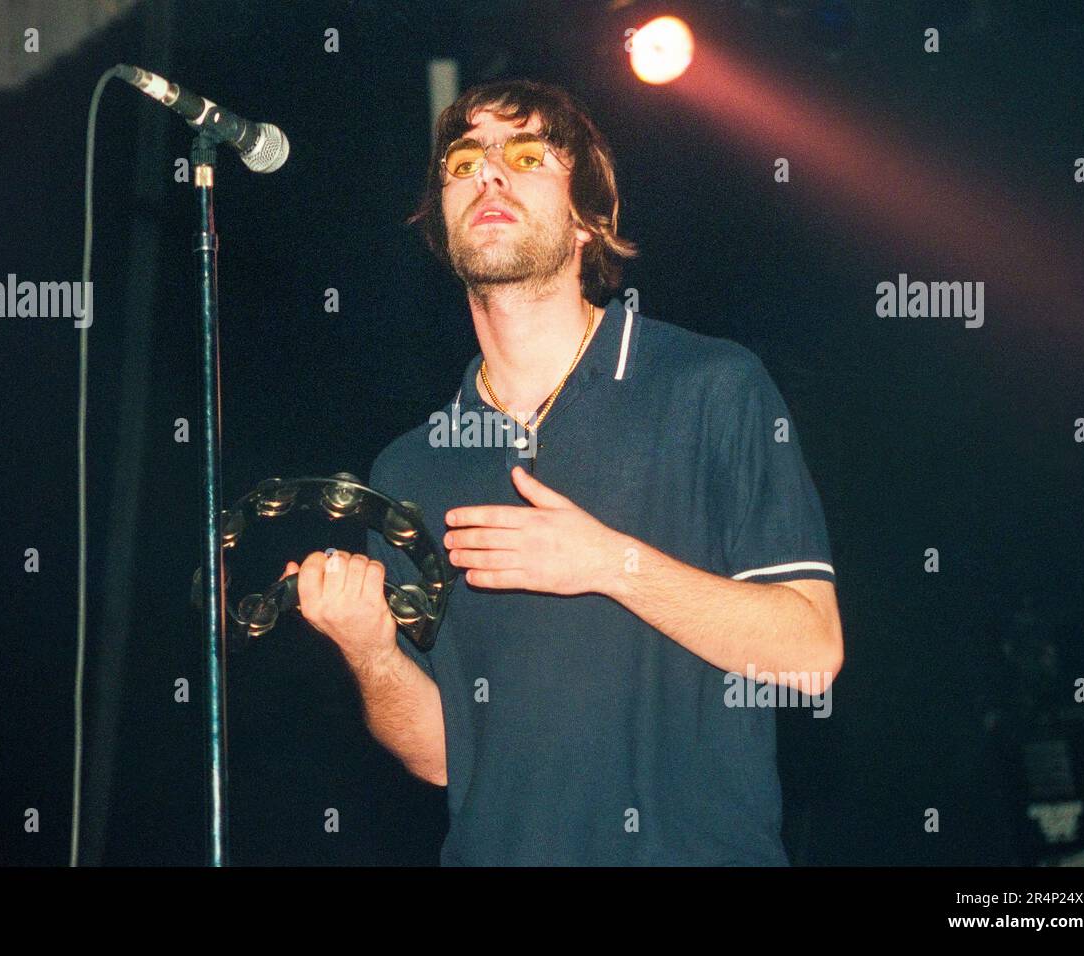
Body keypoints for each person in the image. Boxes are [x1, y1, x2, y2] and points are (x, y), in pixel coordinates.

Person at [278, 79, 843, 865]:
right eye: (464, 161)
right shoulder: (410, 466)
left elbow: (810, 654)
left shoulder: (709, 386)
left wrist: (610, 564)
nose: (489, 175)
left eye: (527, 155)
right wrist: (368, 650)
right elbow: (445, 754)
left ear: (586, 219)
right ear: (440, 227)